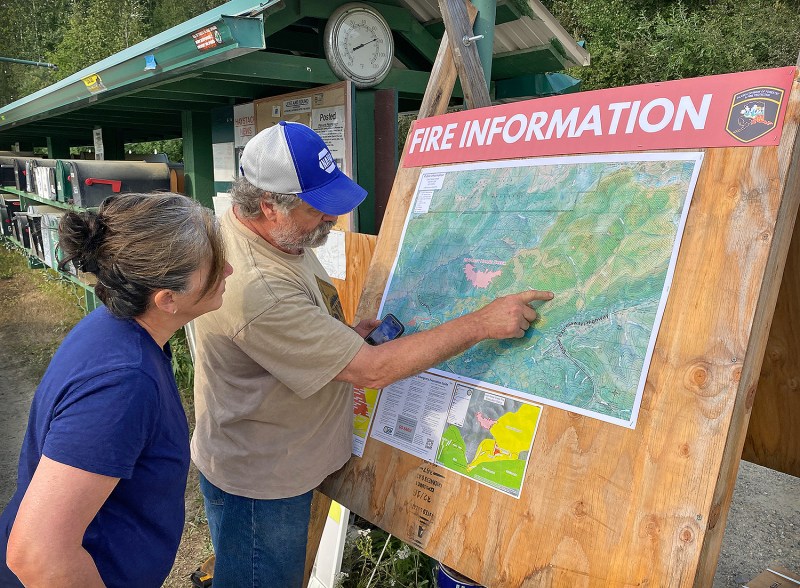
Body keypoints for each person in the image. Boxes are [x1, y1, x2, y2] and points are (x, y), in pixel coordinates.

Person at [191, 121, 554, 588]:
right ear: (268, 207)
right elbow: (374, 370)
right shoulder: (258, 287)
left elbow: (300, 315)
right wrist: (482, 323)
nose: (332, 220)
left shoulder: (271, 234)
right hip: (262, 487)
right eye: (318, 209)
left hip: (278, 463)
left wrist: (334, 336)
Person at [0, 192, 233, 587]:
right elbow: (38, 556)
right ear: (167, 299)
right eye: (213, 267)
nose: (227, 270)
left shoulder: (116, 329)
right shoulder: (123, 383)